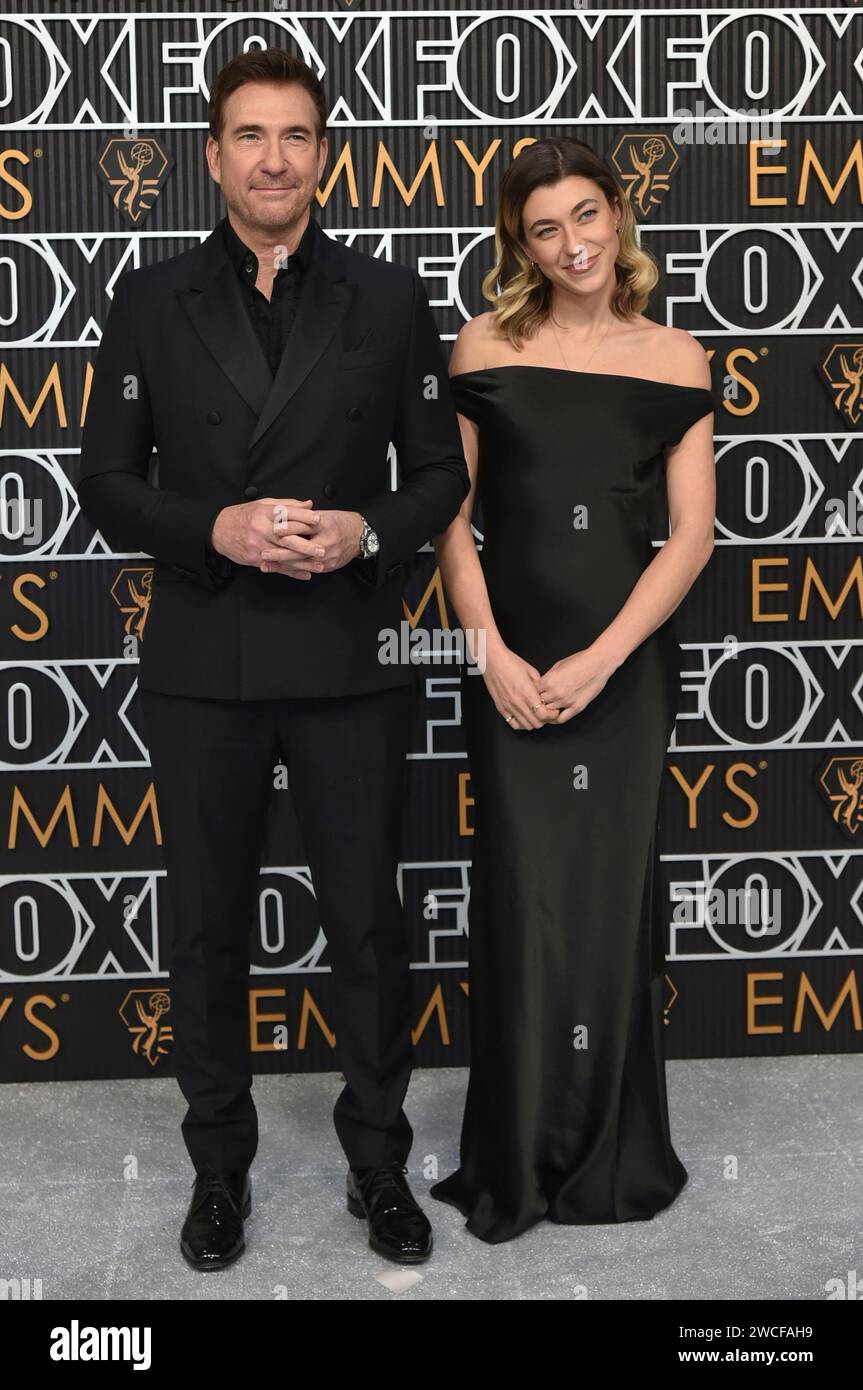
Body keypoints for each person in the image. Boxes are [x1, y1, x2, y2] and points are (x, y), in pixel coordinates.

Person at [77, 48, 469, 1270]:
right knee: (205, 931)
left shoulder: (391, 298)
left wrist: (363, 531)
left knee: (364, 925)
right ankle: (215, 1173)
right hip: (204, 657)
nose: (272, 159)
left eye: (294, 136)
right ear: (213, 153)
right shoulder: (146, 300)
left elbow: (441, 475)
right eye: (249, 135)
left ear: (323, 153)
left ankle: (377, 1167)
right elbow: (105, 483)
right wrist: (214, 527)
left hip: (349, 652)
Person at [429, 137, 716, 1243]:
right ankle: (515, 1152)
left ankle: (603, 1155)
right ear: (521, 243)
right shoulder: (484, 344)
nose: (573, 243)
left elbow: (689, 536)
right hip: (510, 664)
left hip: (625, 670)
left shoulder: (674, 356)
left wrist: (600, 659)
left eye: (586, 214)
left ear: (617, 213)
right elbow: (450, 519)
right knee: (520, 902)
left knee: (603, 906)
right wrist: (488, 651)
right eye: (544, 228)